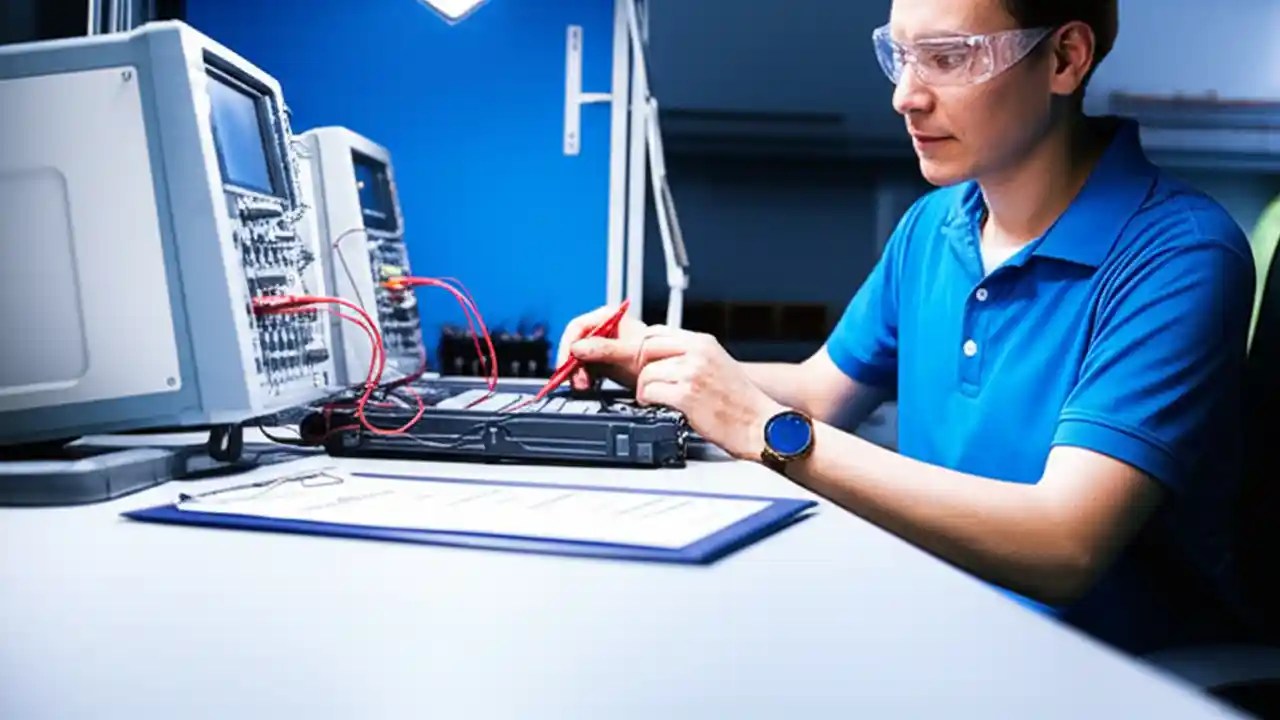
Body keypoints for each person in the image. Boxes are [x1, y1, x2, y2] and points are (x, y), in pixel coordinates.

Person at [557, 0, 1258, 655]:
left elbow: (1062, 545)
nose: (906, 96)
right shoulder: (934, 226)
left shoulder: (1179, 254)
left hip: (1103, 674)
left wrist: (768, 432)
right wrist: (659, 363)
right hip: (941, 629)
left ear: (1066, 58)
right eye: (900, 56)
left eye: (948, 57)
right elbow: (819, 391)